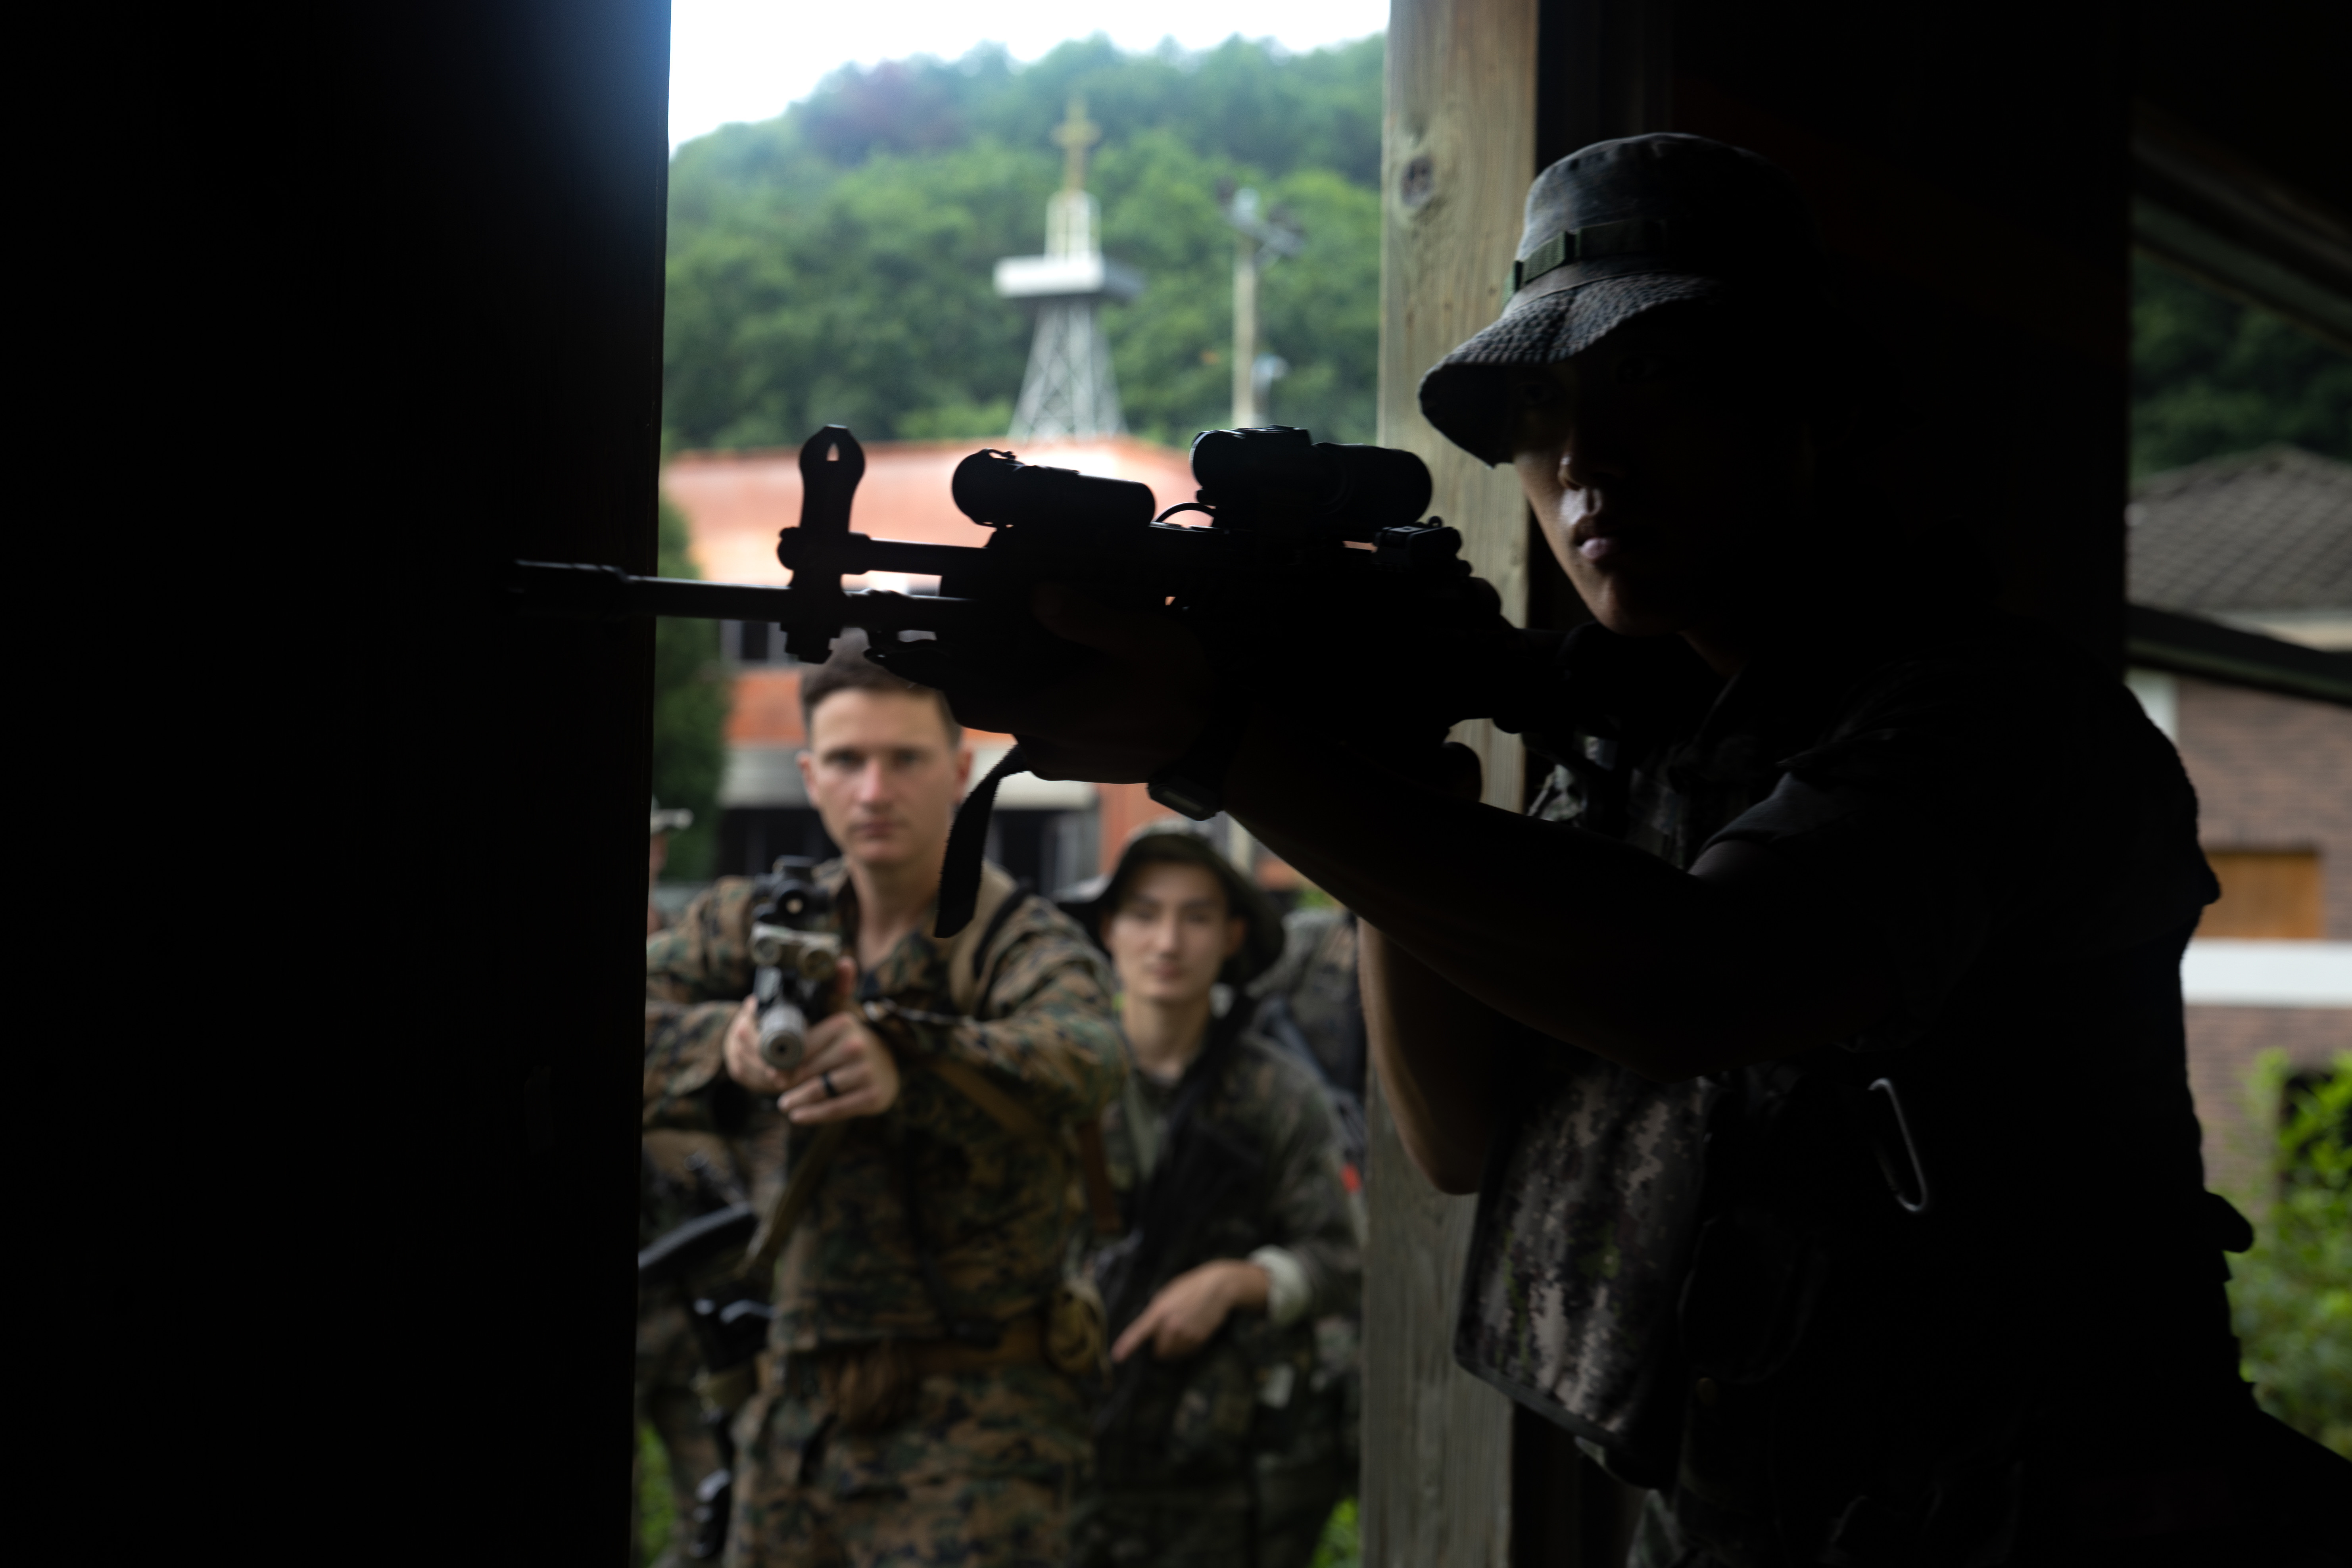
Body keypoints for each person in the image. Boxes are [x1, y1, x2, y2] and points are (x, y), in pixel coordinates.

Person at [931, 133, 2349, 1566]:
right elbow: (1462, 1132)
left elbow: (1702, 983)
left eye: (1655, 385)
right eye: (1539, 410)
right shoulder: (1653, 752)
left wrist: (1232, 746)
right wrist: (1375, 767)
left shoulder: (1988, 721)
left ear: (1809, 410)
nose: (1581, 460)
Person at [646, 643, 1126, 1568]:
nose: (873, 789)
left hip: (978, 1423)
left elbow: (1088, 1056)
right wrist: (727, 1048)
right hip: (794, 1412)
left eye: (903, 760)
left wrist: (909, 1058)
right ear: (809, 776)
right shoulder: (769, 925)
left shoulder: (1013, 938)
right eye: (847, 761)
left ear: (957, 772)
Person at [1067, 825, 1361, 1568]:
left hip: (1221, 1476)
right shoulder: (1060, 1078)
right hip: (1061, 1451)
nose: (1168, 940)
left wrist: (1237, 1282)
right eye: (1144, 913)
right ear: (1109, 928)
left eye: (1196, 916)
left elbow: (1339, 1256)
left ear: (1232, 935)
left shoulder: (1276, 1092)